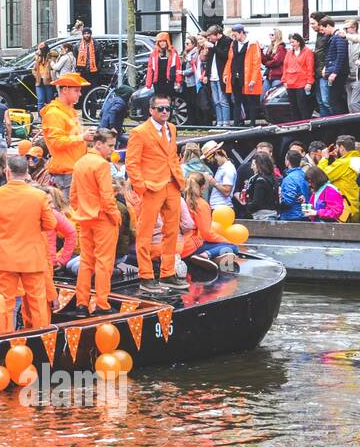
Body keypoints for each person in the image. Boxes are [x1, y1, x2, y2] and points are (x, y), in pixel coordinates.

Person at [0, 155, 56, 327]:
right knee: (37, 302)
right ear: (26, 172)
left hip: (4, 257)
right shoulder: (39, 196)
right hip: (32, 257)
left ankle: (6, 343)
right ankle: (42, 341)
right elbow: (50, 224)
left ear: (7, 172)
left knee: (6, 304)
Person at [126, 93, 186, 293]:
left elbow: (173, 156)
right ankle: (146, 276)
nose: (165, 112)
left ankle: (167, 273)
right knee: (146, 232)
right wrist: (141, 187)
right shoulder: (139, 132)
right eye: (160, 108)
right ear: (151, 110)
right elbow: (132, 163)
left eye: (167, 108)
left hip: (172, 185)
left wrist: (179, 179)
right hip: (152, 187)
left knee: (171, 232)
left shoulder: (172, 129)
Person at [71, 128, 122, 311]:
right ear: (98, 144)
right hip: (102, 218)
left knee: (86, 261)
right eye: (110, 146)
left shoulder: (80, 163)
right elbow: (107, 196)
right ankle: (102, 303)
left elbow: (73, 196)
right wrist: (115, 216)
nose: (112, 150)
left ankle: (81, 303)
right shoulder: (101, 164)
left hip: (85, 218)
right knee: (103, 262)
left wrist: (82, 210)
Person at [41, 72, 91, 192]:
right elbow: (56, 142)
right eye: (77, 90)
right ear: (65, 90)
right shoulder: (54, 114)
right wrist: (82, 137)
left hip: (74, 170)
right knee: (68, 209)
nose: (80, 93)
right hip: (66, 174)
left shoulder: (69, 111)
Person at [180, 172, 239, 268]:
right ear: (203, 187)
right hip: (190, 247)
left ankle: (212, 257)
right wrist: (226, 241)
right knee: (233, 247)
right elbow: (206, 233)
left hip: (175, 247)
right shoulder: (200, 204)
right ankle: (205, 255)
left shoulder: (181, 201)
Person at [223, 23, 263, 126]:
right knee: (237, 100)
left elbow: (256, 63)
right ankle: (237, 123)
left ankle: (252, 122)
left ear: (241, 33)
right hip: (236, 75)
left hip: (247, 75)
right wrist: (226, 74)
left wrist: (253, 79)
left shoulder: (253, 43)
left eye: (235, 34)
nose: (234, 37)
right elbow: (230, 60)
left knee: (251, 100)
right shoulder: (234, 44)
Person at [320, 135, 360, 222]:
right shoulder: (358, 159)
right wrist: (337, 160)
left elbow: (320, 176)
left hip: (344, 212)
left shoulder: (343, 163)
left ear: (342, 148)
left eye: (337, 147)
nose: (335, 150)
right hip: (355, 208)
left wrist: (324, 158)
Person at [234, 152, 279, 219]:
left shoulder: (260, 181)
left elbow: (256, 203)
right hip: (272, 214)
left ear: (260, 166)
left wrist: (246, 205)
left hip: (263, 217)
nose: (251, 167)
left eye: (253, 165)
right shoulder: (272, 178)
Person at [281, 32, 314, 121]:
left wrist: (309, 82)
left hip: (301, 83)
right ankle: (296, 127)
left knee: (302, 106)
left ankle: (305, 127)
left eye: (293, 42)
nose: (292, 44)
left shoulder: (307, 52)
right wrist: (284, 80)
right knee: (293, 107)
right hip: (290, 83)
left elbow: (309, 68)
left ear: (299, 41)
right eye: (290, 42)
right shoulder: (289, 53)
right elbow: (285, 66)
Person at [321, 16, 350, 115]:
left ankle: (341, 126)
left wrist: (334, 72)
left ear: (328, 26)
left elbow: (341, 55)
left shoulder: (338, 37)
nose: (322, 31)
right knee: (335, 100)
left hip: (338, 74)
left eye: (323, 29)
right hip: (335, 72)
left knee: (335, 101)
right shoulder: (333, 37)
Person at [203, 25, 231, 127]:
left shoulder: (227, 41)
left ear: (217, 34)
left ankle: (226, 122)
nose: (209, 38)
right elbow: (210, 61)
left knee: (223, 100)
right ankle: (219, 122)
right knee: (216, 101)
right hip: (212, 76)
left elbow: (225, 55)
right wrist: (206, 74)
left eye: (211, 36)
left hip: (221, 75)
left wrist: (213, 47)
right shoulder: (213, 43)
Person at [145, 32, 182, 98]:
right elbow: (150, 68)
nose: (162, 43)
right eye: (160, 41)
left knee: (169, 100)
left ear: (167, 41)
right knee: (159, 101)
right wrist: (148, 83)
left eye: (164, 41)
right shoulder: (154, 53)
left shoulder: (173, 52)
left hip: (169, 81)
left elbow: (178, 67)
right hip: (157, 82)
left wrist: (178, 81)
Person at [277, 149, 310, 221]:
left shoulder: (289, 179)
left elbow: (287, 202)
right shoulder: (305, 175)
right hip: (306, 215)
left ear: (287, 161)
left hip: (291, 217)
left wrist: (276, 204)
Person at [204, 142, 235, 209]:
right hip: (219, 207)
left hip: (222, 207)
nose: (210, 161)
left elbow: (227, 192)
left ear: (217, 153)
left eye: (210, 157)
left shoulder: (228, 168)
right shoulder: (222, 167)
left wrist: (213, 181)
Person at [313, 15, 333, 116]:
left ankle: (335, 123)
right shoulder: (319, 35)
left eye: (313, 23)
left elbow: (328, 54)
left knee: (326, 101)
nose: (311, 26)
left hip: (323, 73)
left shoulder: (326, 36)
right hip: (318, 72)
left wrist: (326, 68)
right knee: (321, 101)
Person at [32, 43, 53, 107]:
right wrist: (37, 76)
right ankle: (40, 116)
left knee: (49, 101)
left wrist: (49, 75)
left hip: (48, 82)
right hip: (39, 82)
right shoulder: (38, 58)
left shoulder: (50, 58)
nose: (38, 51)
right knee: (40, 100)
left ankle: (49, 115)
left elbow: (53, 68)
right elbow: (34, 69)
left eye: (40, 49)